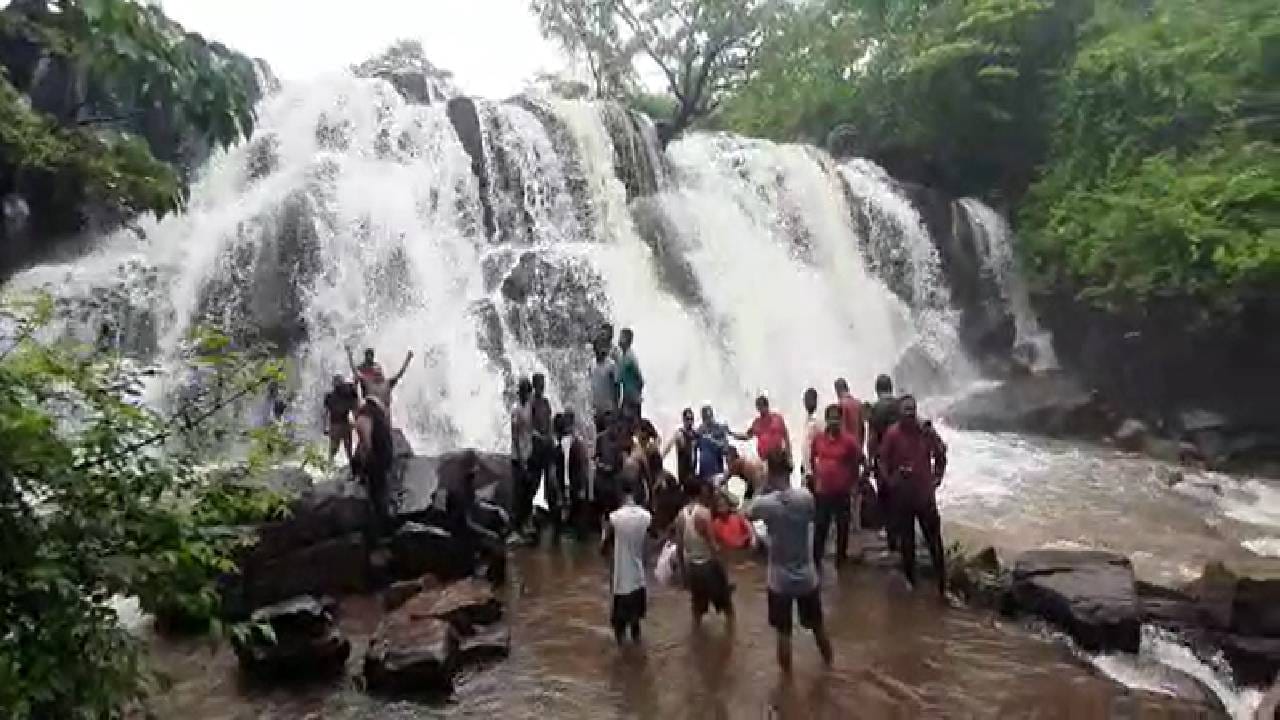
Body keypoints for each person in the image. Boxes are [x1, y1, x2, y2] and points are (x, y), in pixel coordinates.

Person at [745, 448, 833, 671]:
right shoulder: (806, 497)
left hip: (780, 579)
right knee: (818, 628)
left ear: (770, 472)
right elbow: (811, 518)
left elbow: (748, 512)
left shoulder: (765, 504)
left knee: (783, 634)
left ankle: (787, 682)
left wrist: (761, 485)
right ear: (789, 470)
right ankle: (830, 668)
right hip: (807, 575)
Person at [878, 395, 948, 596]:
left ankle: (943, 583)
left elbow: (941, 453)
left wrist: (937, 478)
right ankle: (911, 581)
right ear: (899, 413)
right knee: (907, 541)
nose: (909, 414)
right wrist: (890, 480)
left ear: (916, 411)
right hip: (902, 498)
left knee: (934, 541)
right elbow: (882, 460)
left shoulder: (926, 431)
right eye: (905, 410)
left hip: (924, 496)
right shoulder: (892, 434)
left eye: (911, 410)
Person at [810, 403, 869, 568]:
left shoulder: (849, 441)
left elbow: (863, 461)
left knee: (842, 527)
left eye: (837, 418)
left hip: (842, 492)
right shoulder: (819, 439)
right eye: (831, 418)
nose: (834, 422)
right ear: (826, 420)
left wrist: (858, 481)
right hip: (823, 492)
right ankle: (815, 561)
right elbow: (812, 458)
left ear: (841, 420)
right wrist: (814, 476)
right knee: (820, 527)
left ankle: (841, 561)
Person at [602, 478, 652, 645]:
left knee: (619, 630)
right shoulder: (646, 516)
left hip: (621, 582)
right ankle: (637, 656)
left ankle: (623, 658)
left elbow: (603, 548)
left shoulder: (614, 518)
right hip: (639, 579)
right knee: (636, 626)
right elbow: (649, 546)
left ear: (620, 492)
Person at [676, 479, 734, 625]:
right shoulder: (704, 513)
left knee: (697, 610)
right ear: (700, 492)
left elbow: (679, 548)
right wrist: (725, 568)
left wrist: (683, 574)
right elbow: (712, 544)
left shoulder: (680, 515)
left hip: (692, 566)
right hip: (708, 565)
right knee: (727, 607)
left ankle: (696, 636)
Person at [865, 374, 901, 548]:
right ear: (891, 387)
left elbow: (872, 438)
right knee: (900, 496)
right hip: (901, 458)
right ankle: (903, 532)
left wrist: (870, 460)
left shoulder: (876, 409)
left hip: (883, 460)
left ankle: (891, 536)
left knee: (885, 496)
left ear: (877, 389)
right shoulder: (901, 405)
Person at [354, 396, 395, 541]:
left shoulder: (362, 419)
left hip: (376, 458)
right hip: (386, 455)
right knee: (382, 491)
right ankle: (387, 527)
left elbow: (366, 444)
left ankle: (378, 532)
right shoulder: (380, 418)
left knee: (375, 495)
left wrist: (363, 465)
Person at [528, 373, 556, 541]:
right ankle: (532, 520)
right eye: (539, 384)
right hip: (535, 449)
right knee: (534, 484)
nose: (542, 387)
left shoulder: (545, 402)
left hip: (546, 448)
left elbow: (549, 423)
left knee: (549, 481)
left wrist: (550, 437)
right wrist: (540, 437)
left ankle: (547, 515)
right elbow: (529, 427)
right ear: (534, 385)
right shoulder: (531, 404)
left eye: (543, 384)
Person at [347, 346, 414, 414]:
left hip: (383, 412)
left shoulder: (388, 383)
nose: (378, 376)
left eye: (379, 374)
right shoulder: (368, 381)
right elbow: (355, 371)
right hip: (371, 410)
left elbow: (400, 374)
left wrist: (408, 359)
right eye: (376, 374)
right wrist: (349, 355)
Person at [510, 378, 536, 540]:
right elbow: (515, 436)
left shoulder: (529, 406)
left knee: (528, 492)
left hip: (529, 454)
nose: (526, 394)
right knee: (519, 493)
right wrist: (521, 461)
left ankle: (526, 524)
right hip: (518, 457)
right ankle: (516, 527)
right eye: (524, 391)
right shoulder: (516, 409)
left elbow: (531, 430)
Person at [734, 394, 791, 462]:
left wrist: (788, 452)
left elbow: (785, 435)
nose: (759, 408)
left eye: (761, 405)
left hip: (779, 456)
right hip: (765, 459)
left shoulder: (777, 418)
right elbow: (747, 436)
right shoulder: (756, 422)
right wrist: (733, 434)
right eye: (758, 406)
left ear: (767, 405)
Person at [323, 374, 359, 465]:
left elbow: (354, 406)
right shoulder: (331, 396)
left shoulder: (346, 395)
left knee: (347, 449)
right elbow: (326, 413)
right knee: (335, 449)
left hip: (343, 424)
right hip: (336, 425)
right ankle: (330, 465)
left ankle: (349, 465)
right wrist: (325, 427)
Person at [662, 408, 699, 490]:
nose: (690, 421)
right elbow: (668, 447)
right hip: (683, 474)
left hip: (694, 472)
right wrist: (659, 460)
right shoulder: (679, 434)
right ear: (684, 420)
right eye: (687, 419)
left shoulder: (696, 434)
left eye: (691, 419)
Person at [694, 405, 731, 483]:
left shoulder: (720, 428)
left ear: (712, 415)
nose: (707, 420)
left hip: (717, 471)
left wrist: (712, 440)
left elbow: (725, 449)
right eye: (704, 418)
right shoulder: (700, 429)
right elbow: (695, 448)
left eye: (708, 417)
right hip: (703, 472)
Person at [589, 343, 620, 434]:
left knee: (608, 435)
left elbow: (617, 386)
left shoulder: (611, 365)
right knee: (598, 436)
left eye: (602, 347)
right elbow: (591, 384)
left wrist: (617, 406)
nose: (600, 351)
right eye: (597, 348)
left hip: (608, 409)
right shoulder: (592, 364)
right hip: (596, 409)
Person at [616, 328, 645, 420]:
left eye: (622, 337)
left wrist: (636, 394)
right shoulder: (623, 356)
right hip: (627, 397)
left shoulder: (630, 356)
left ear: (628, 340)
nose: (619, 340)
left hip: (632, 399)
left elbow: (640, 378)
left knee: (632, 424)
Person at [834, 378, 865, 450]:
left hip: (845, 447)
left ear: (837, 391)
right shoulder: (858, 403)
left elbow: (841, 428)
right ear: (847, 388)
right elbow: (863, 428)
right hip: (857, 446)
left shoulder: (840, 405)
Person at [800, 388, 821, 484]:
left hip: (815, 467)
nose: (807, 403)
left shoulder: (819, 420)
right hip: (806, 466)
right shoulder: (807, 419)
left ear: (815, 400)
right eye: (805, 400)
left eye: (809, 399)